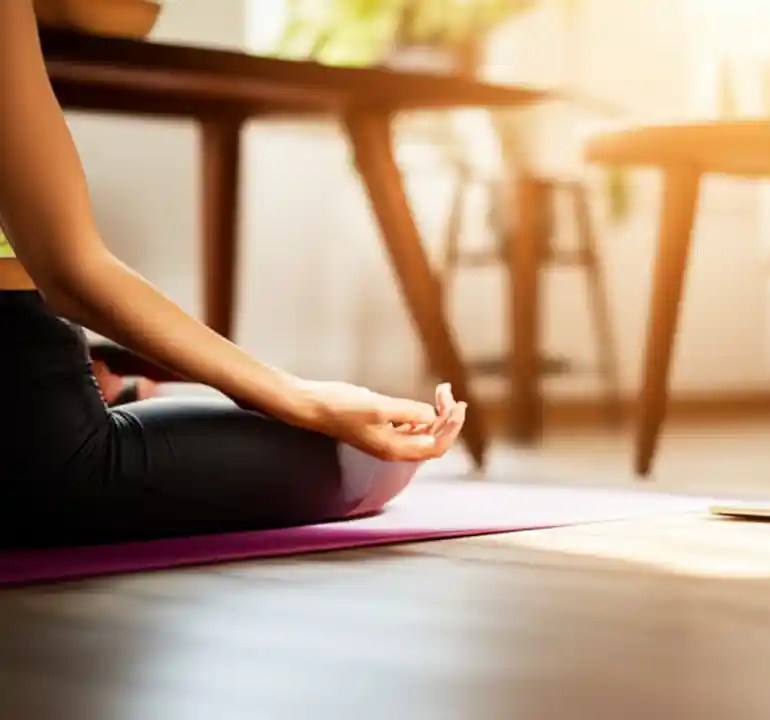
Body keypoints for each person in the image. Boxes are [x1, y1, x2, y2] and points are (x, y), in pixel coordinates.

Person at [0, 3, 467, 547]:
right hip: (37, 450)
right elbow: (71, 271)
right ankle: (122, 394)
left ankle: (120, 389)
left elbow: (118, 17)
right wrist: (301, 398)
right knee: (361, 456)